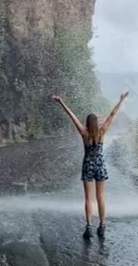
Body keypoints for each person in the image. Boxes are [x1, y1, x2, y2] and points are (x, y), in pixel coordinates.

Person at [51, 91, 130, 239]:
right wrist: (121, 100)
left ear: (87, 123)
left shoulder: (84, 133)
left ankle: (88, 228)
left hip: (87, 166)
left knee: (88, 198)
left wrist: (61, 102)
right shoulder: (102, 132)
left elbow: (71, 116)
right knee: (101, 197)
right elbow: (112, 115)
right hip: (100, 166)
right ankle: (102, 226)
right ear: (97, 123)